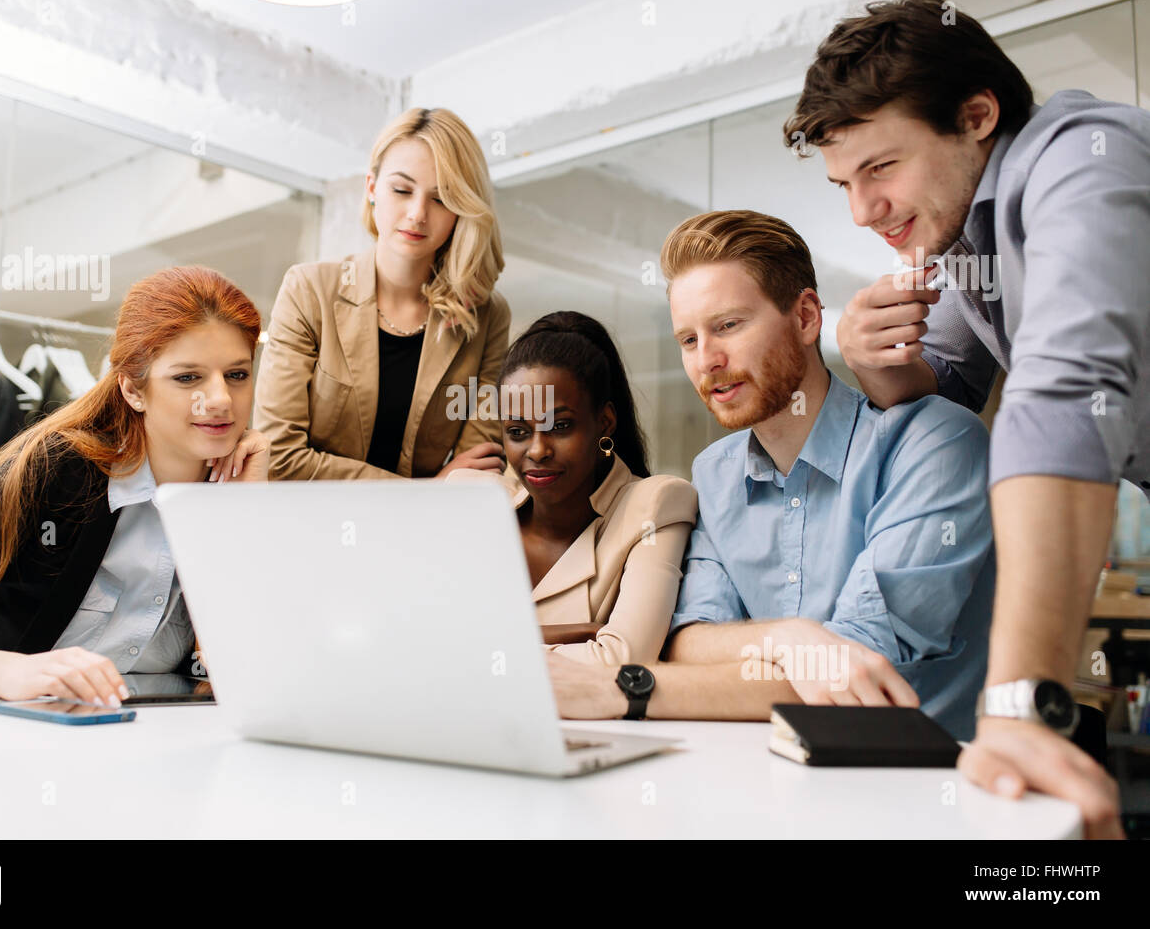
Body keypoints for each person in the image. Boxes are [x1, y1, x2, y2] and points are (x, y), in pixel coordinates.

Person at [782, 0, 1144, 836]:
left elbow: (1060, 395)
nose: (862, 211)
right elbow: (939, 408)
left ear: (977, 115)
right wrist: (881, 365)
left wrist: (1018, 706)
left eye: (881, 169)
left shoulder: (1081, 162)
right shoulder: (962, 242)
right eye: (844, 183)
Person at [546, 210, 995, 742]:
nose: (706, 361)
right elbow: (689, 638)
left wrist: (620, 689)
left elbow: (852, 673)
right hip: (759, 778)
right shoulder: (714, 473)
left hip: (913, 794)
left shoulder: (934, 443)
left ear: (806, 318)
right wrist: (790, 639)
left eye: (728, 326)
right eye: (688, 340)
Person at [0, 266, 268, 702]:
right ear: (132, 389)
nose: (220, 399)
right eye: (187, 377)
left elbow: (271, 664)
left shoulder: (246, 487)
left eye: (237, 375)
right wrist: (1, 672)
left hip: (182, 739)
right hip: (20, 745)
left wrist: (248, 516)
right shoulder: (51, 472)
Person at [254, 106, 511, 481]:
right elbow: (278, 458)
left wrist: (436, 493)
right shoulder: (309, 292)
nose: (418, 214)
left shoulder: (486, 316)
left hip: (421, 535)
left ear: (462, 211)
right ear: (372, 189)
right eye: (402, 190)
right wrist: (424, 491)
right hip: (311, 526)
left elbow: (477, 468)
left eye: (441, 199)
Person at [451, 312, 696, 665]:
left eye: (561, 426)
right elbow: (412, 636)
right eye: (517, 432)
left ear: (605, 422)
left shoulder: (655, 506)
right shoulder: (470, 498)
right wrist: (557, 634)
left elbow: (623, 662)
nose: (537, 451)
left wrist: (473, 641)